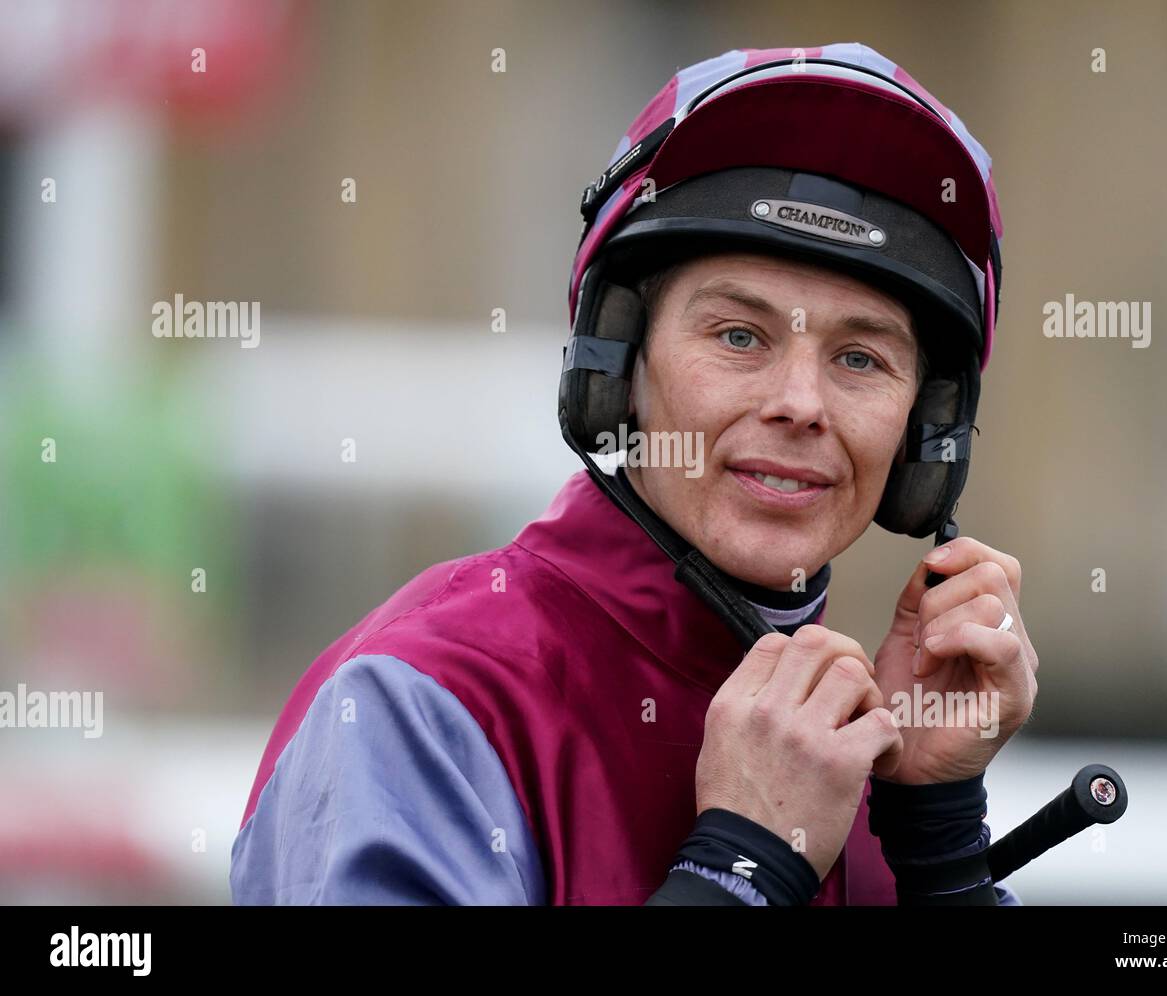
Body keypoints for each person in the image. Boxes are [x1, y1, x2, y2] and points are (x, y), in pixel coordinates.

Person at [231, 42, 1038, 906]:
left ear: (927, 428)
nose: (802, 403)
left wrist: (939, 840)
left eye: (859, 358)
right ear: (618, 367)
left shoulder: (869, 759)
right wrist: (741, 862)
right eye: (739, 336)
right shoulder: (422, 702)